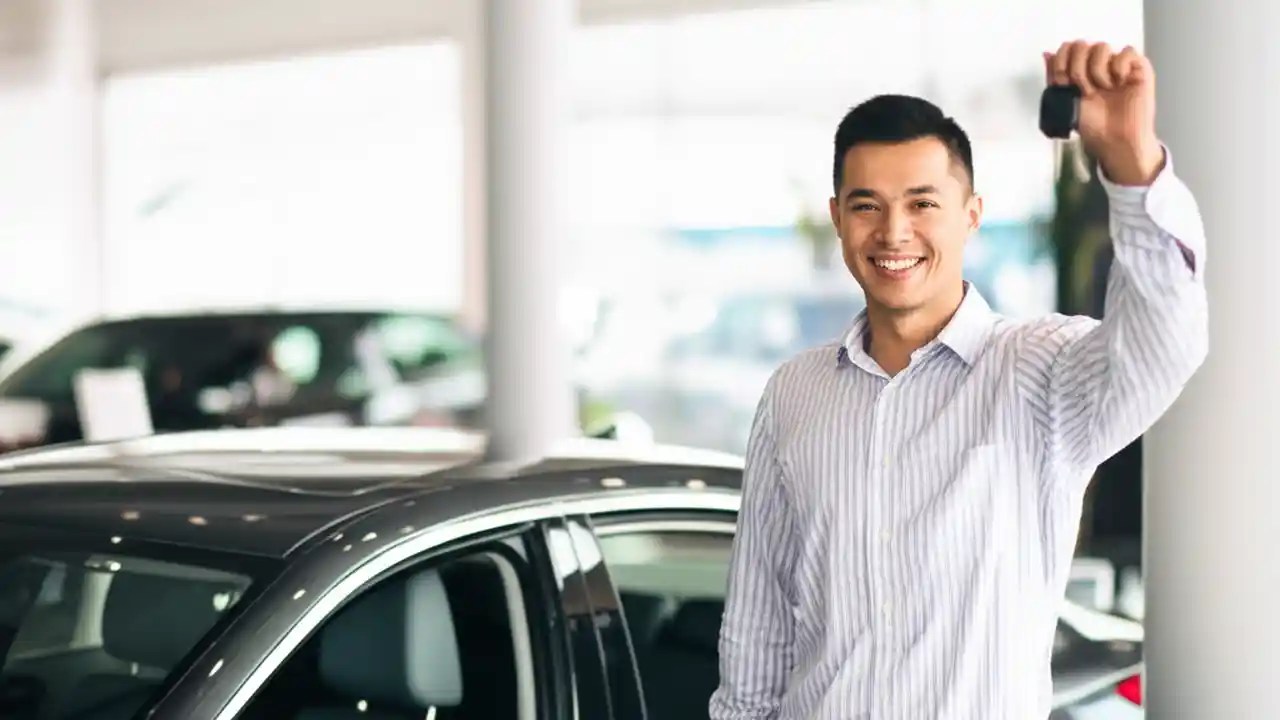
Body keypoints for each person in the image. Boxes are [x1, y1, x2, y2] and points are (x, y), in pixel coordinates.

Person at [709, 41, 1207, 719]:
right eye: (866, 206)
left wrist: (1131, 168)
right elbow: (757, 639)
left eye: (922, 204)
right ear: (837, 219)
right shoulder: (795, 394)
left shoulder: (1040, 370)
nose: (893, 232)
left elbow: (1166, 345)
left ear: (971, 214)